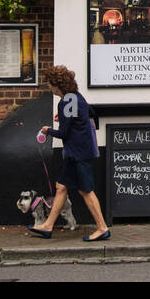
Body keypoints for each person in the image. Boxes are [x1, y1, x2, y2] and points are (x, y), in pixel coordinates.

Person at [32, 65, 111, 240]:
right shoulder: (74, 98)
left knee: (86, 190)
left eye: (49, 83)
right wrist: (66, 117)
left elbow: (63, 133)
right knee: (61, 187)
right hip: (77, 152)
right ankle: (47, 226)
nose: (48, 86)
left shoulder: (66, 102)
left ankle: (102, 228)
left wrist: (47, 130)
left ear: (55, 84)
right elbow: (89, 112)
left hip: (79, 153)